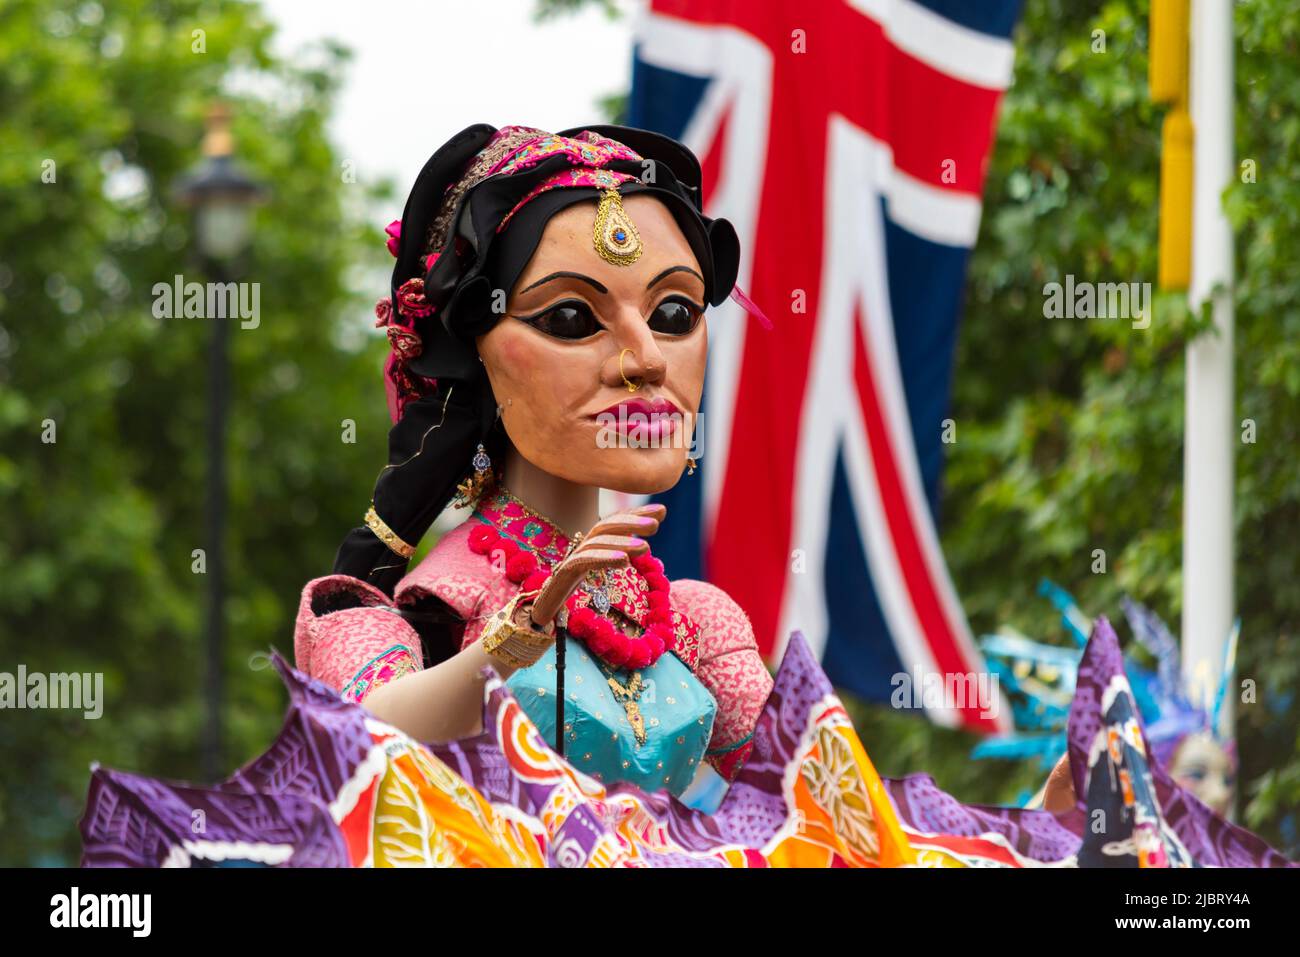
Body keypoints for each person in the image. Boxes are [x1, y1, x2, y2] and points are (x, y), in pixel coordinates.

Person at [83, 124, 1287, 868]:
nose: (645, 355)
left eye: (670, 313)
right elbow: (352, 753)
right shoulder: (378, 618)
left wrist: (1047, 814)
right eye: (571, 318)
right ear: (470, 361)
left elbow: (828, 814)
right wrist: (511, 644)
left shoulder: (694, 623)